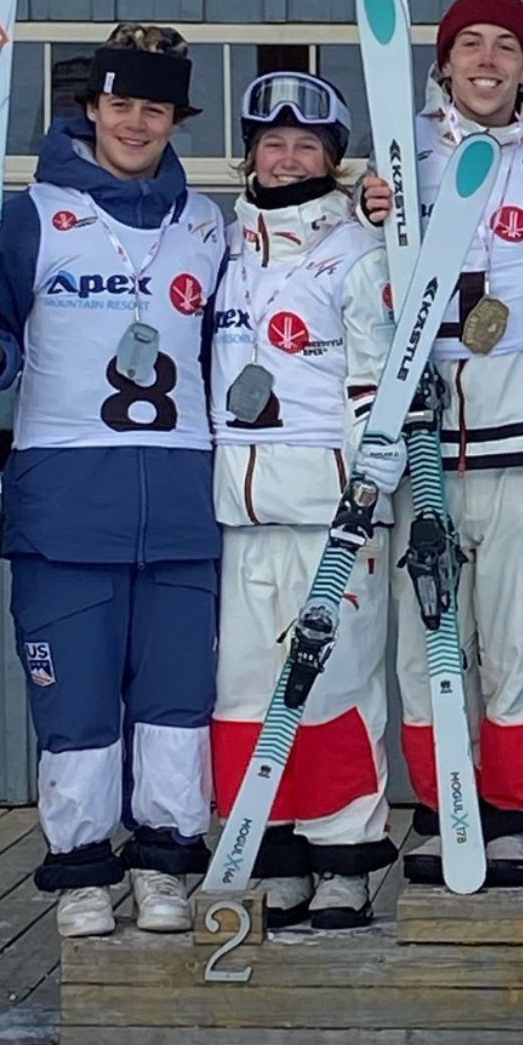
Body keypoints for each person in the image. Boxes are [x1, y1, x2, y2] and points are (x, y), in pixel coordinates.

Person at [0, 24, 226, 938]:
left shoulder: (206, 224)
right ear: (91, 109)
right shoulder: (32, 213)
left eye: (154, 108)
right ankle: (81, 871)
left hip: (184, 498)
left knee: (176, 699)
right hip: (68, 500)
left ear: (175, 119)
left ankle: (166, 863)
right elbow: (5, 332)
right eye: (120, 105)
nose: (136, 123)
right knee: (77, 700)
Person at [360, 0, 523, 886]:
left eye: (505, 47)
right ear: (444, 61)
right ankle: (442, 799)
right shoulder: (397, 153)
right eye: (471, 46)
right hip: (422, 432)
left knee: (521, 632)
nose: (488, 62)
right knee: (428, 636)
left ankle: (519, 812)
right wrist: (366, 208)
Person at [207, 71, 407, 928]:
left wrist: (370, 481)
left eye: (308, 147)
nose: (288, 159)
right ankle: (274, 843)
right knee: (246, 688)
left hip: (333, 511)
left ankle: (344, 857)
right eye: (273, 143)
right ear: (251, 152)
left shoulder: (357, 254)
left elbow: (378, 384)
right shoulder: (222, 246)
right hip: (242, 508)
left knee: (333, 685)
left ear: (332, 158)